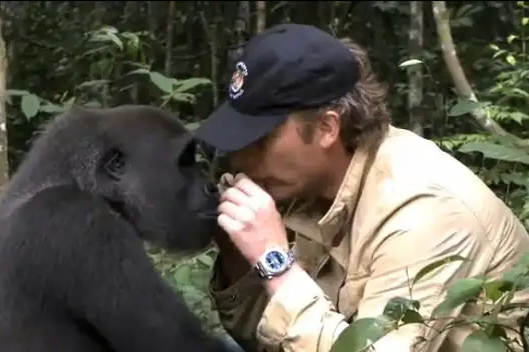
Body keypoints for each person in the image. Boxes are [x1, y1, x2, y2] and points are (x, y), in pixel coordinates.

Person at [194, 23, 529, 352]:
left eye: (259, 141)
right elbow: (268, 339)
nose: (241, 161)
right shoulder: (302, 187)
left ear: (326, 127)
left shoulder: (423, 208)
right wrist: (239, 257)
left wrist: (275, 263)